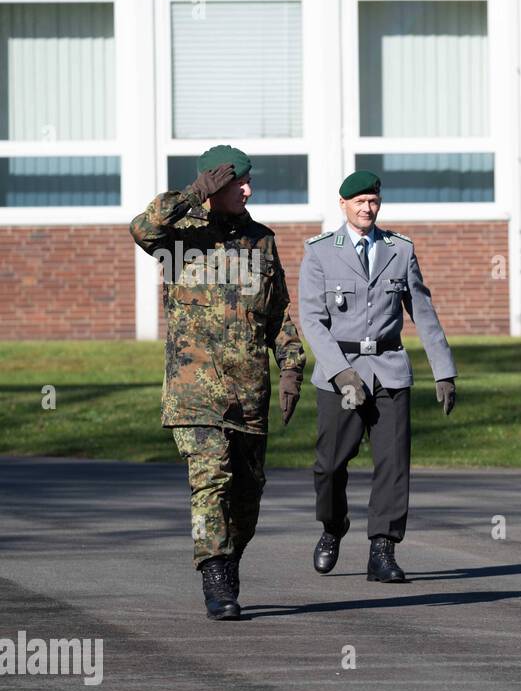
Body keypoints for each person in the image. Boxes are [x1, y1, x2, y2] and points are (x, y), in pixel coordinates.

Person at [130, 145, 304, 621]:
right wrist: (191, 194)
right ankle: (216, 574)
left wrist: (290, 366)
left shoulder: (261, 240)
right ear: (214, 185)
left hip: (248, 392)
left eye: (249, 182)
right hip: (194, 392)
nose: (247, 190)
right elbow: (141, 228)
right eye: (236, 183)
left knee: (248, 492)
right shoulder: (179, 237)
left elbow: (278, 312)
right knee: (211, 480)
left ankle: (228, 557)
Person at [297, 170, 457, 583]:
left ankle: (382, 549)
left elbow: (422, 311)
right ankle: (333, 527)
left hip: (388, 371)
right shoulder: (319, 253)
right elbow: (313, 322)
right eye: (359, 202)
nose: (367, 209)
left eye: (373, 201)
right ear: (343, 205)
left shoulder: (398, 250)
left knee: (393, 464)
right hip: (341, 375)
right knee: (330, 466)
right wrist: (342, 373)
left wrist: (444, 370)